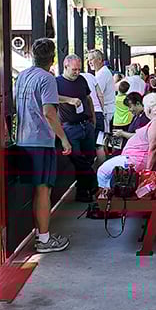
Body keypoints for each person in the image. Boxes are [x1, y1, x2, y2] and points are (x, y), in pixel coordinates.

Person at [13, 38, 72, 253]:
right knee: (44, 190)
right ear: (53, 58)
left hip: (22, 140)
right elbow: (48, 111)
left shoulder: (22, 77)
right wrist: (63, 138)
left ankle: (41, 234)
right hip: (41, 142)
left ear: (33, 56)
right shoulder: (47, 79)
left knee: (35, 191)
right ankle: (44, 240)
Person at [96, 93, 156, 189]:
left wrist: (147, 172)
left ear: (149, 108)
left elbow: (154, 147)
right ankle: (109, 191)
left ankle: (108, 196)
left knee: (102, 172)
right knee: (103, 147)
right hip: (133, 156)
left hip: (135, 159)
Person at [56, 54, 97, 203]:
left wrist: (92, 117)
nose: (77, 72)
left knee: (89, 157)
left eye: (79, 69)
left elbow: (88, 98)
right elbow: (51, 97)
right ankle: (93, 181)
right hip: (69, 127)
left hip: (86, 124)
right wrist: (69, 100)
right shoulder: (56, 82)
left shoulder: (82, 80)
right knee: (77, 157)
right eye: (74, 69)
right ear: (65, 66)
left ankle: (82, 192)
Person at [88, 49, 116, 143]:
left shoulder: (102, 74)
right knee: (104, 141)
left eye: (91, 59)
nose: (89, 62)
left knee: (102, 142)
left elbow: (97, 95)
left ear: (99, 59)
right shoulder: (103, 72)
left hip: (105, 111)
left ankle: (107, 157)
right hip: (108, 110)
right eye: (88, 60)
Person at [81, 63, 106, 164]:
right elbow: (100, 95)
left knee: (88, 146)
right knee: (99, 144)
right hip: (98, 113)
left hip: (87, 115)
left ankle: (90, 171)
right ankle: (102, 171)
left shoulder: (75, 80)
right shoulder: (91, 76)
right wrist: (102, 109)